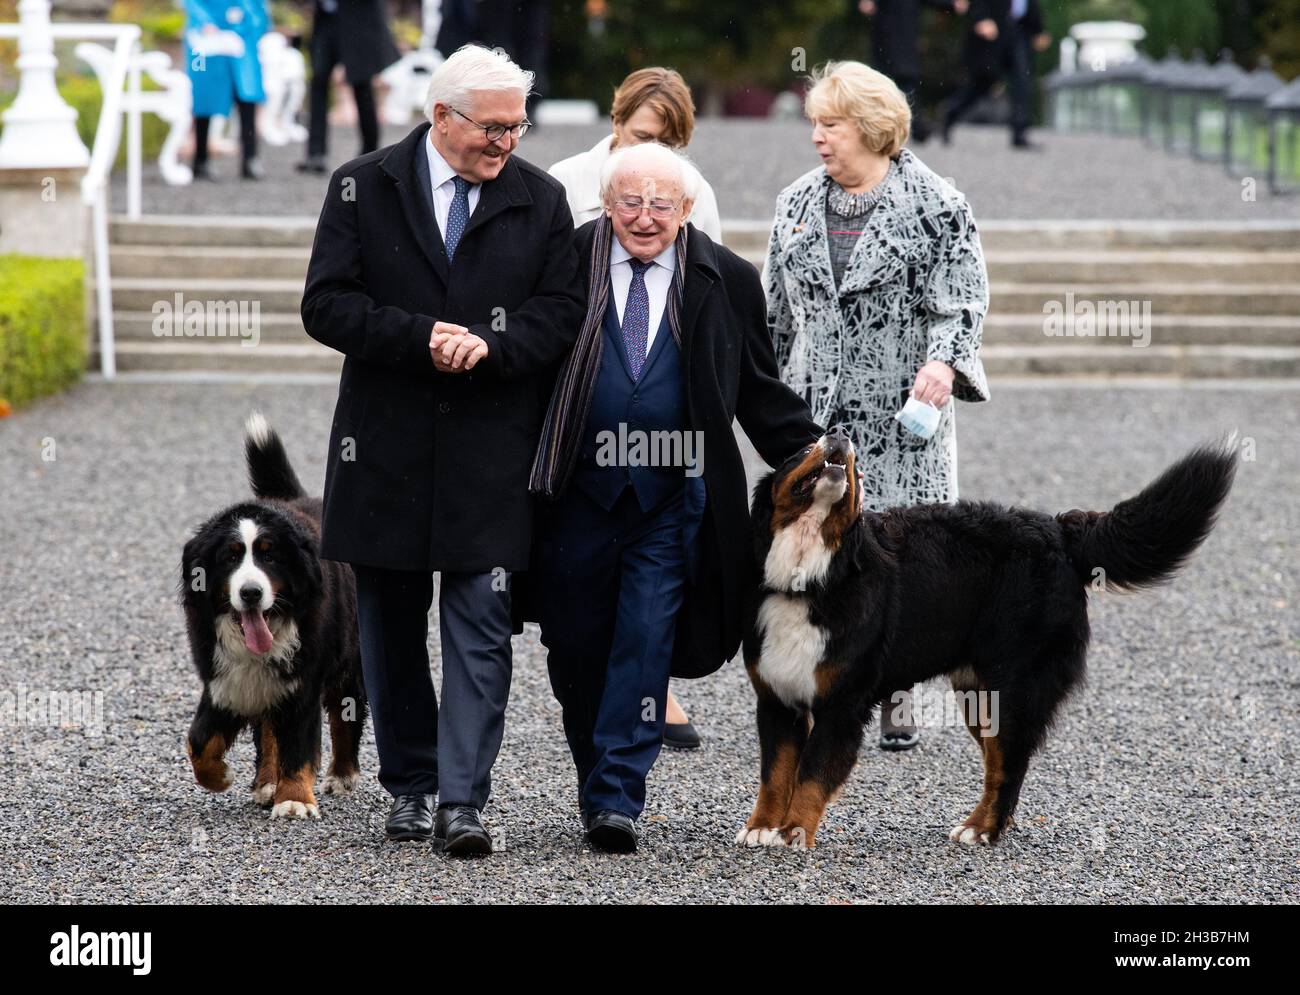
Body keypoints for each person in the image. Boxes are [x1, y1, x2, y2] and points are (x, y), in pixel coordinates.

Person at [300, 44, 585, 855]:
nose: (505, 143)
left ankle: (464, 800)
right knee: (389, 631)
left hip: (489, 456)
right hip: (382, 451)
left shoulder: (542, 197)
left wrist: (492, 348)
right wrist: (420, 337)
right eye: (490, 128)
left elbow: (562, 311)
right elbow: (325, 304)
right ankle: (412, 786)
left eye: (516, 127)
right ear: (441, 117)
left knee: (479, 631)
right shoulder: (361, 184)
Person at [528, 142, 823, 852]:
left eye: (661, 204)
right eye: (629, 202)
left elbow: (757, 387)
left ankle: (616, 797)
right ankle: (595, 769)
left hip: (669, 501)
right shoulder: (565, 261)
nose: (644, 217)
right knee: (573, 649)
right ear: (606, 203)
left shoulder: (726, 279)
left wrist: (816, 457)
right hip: (574, 495)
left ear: (686, 209)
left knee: (644, 640)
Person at [764, 61, 989, 750]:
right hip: (817, 417)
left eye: (829, 126)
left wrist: (943, 363)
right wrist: (761, 393)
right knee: (815, 548)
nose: (818, 140)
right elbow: (774, 312)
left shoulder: (936, 203)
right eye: (815, 126)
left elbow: (963, 298)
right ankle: (815, 676)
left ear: (868, 127)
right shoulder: (795, 205)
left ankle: (895, 688)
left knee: (900, 554)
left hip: (901, 418)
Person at [548, 67, 721, 751]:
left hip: (664, 437)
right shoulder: (564, 184)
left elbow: (708, 288)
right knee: (579, 614)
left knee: (659, 574)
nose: (657, 155)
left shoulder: (692, 192)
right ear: (617, 122)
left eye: (672, 146)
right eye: (646, 137)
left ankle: (652, 685)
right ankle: (599, 718)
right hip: (584, 431)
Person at [549, 68, 722, 245]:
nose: (653, 150)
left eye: (667, 143)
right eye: (643, 137)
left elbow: (710, 268)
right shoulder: (565, 180)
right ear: (616, 122)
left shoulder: (699, 193)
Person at [296, 0, 401, 173]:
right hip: (326, 22)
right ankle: (315, 153)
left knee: (362, 87)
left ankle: (371, 152)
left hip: (357, 22)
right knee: (318, 81)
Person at [941, 0, 1052, 148]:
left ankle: (1020, 133)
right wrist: (981, 18)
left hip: (1019, 32)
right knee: (983, 84)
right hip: (994, 32)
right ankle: (951, 114)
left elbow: (1030, 4)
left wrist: (1038, 30)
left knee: (1022, 81)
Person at [856, 0, 969, 142]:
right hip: (887, 35)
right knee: (891, 82)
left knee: (906, 80)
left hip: (903, 36)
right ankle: (905, 127)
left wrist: (950, 5)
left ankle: (914, 127)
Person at [182, 0, 269, 180]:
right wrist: (205, 23)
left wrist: (244, 24)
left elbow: (258, 13)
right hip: (204, 44)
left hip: (241, 41)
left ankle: (250, 158)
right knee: (202, 97)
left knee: (246, 97)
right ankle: (200, 159)